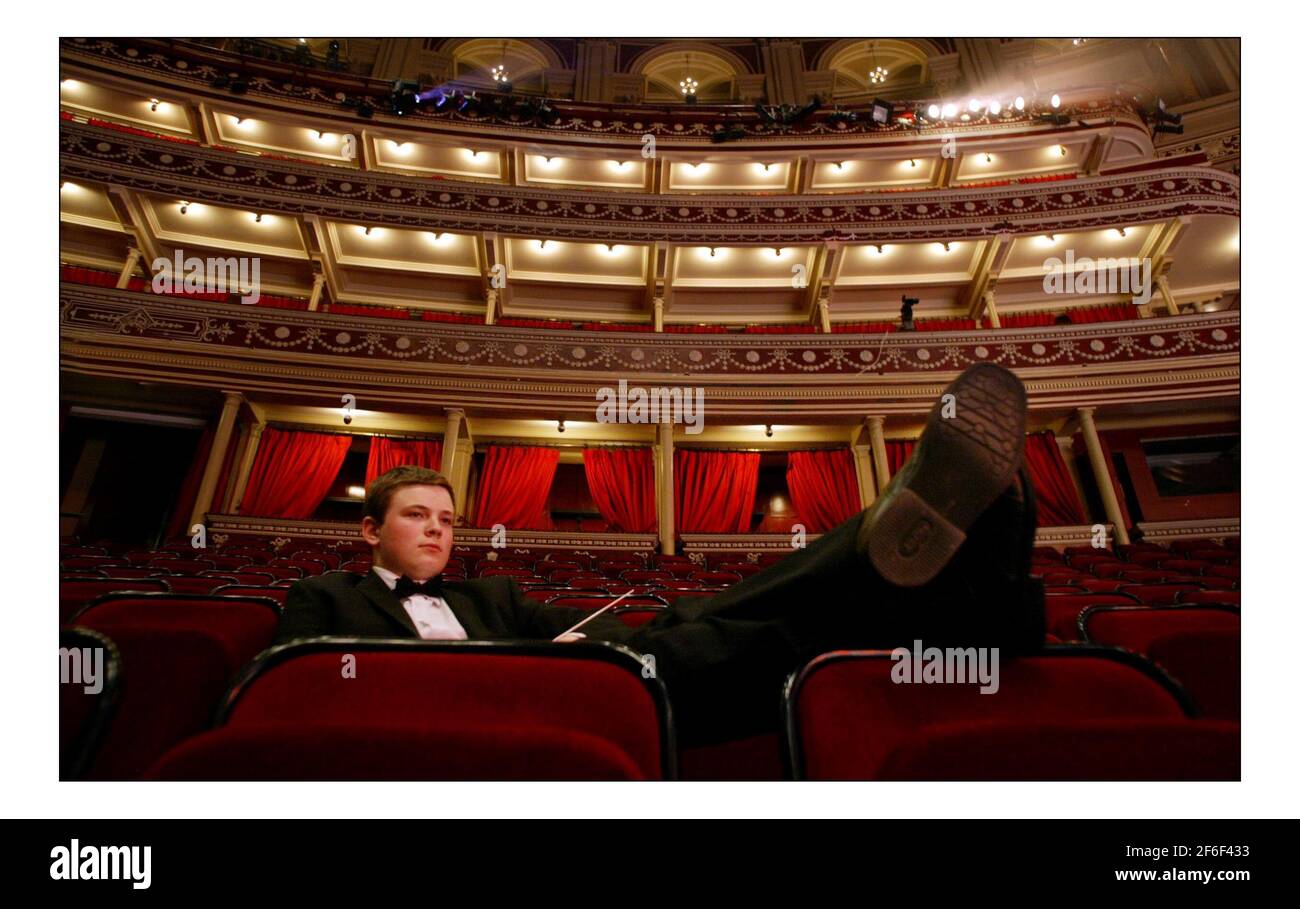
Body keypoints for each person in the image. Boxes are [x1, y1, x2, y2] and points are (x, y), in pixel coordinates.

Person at [274, 363, 1043, 746]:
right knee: (729, 635)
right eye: (416, 516)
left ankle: (930, 561)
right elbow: (303, 696)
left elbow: (589, 628)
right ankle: (957, 566)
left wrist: (584, 644)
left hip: (604, 685)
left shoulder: (493, 595)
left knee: (752, 630)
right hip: (499, 720)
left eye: (446, 517)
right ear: (370, 530)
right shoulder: (325, 599)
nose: (439, 530)